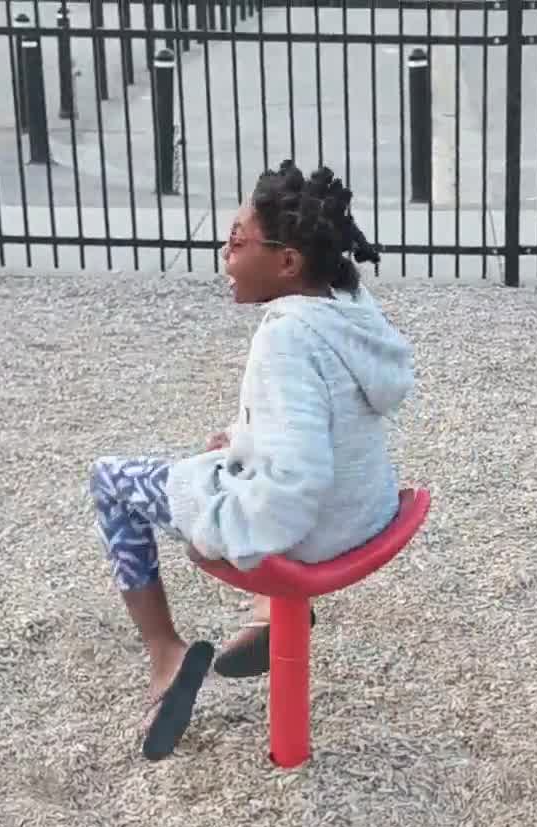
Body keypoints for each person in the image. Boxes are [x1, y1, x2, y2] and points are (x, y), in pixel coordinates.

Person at [86, 160, 415, 761]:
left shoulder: (285, 336)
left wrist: (228, 532)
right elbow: (313, 423)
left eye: (236, 242)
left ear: (287, 262)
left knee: (110, 481)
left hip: (313, 532)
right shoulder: (347, 305)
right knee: (222, 454)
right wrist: (244, 441)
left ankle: (166, 656)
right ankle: (268, 617)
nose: (224, 255)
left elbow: (295, 481)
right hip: (364, 512)